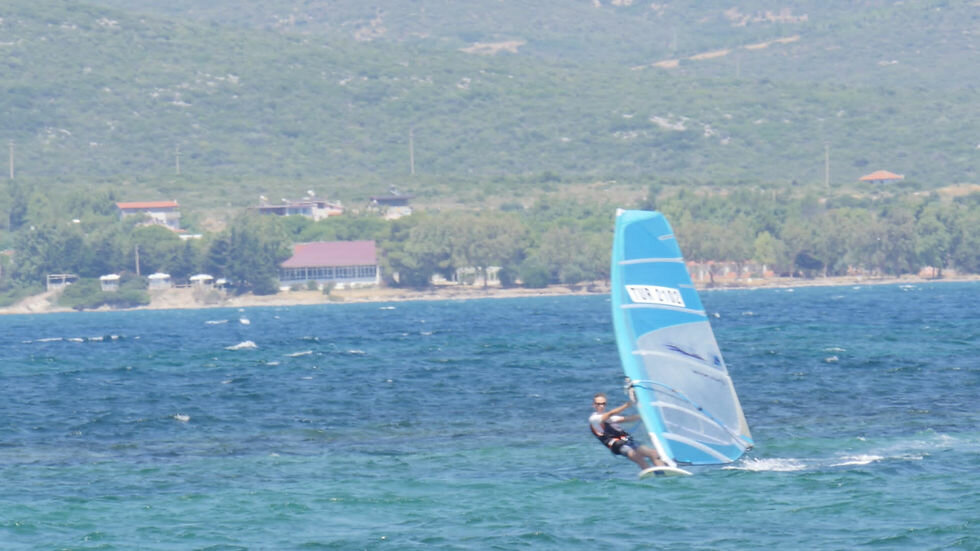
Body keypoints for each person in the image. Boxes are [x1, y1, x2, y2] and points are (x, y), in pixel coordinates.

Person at [589, 392, 666, 470]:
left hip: (627, 441)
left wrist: (645, 415)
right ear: (594, 405)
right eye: (598, 404)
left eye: (603, 403)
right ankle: (649, 472)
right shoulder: (594, 419)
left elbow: (627, 419)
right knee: (637, 457)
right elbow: (610, 413)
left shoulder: (610, 418)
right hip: (617, 445)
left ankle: (664, 471)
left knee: (654, 453)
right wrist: (628, 404)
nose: (601, 406)